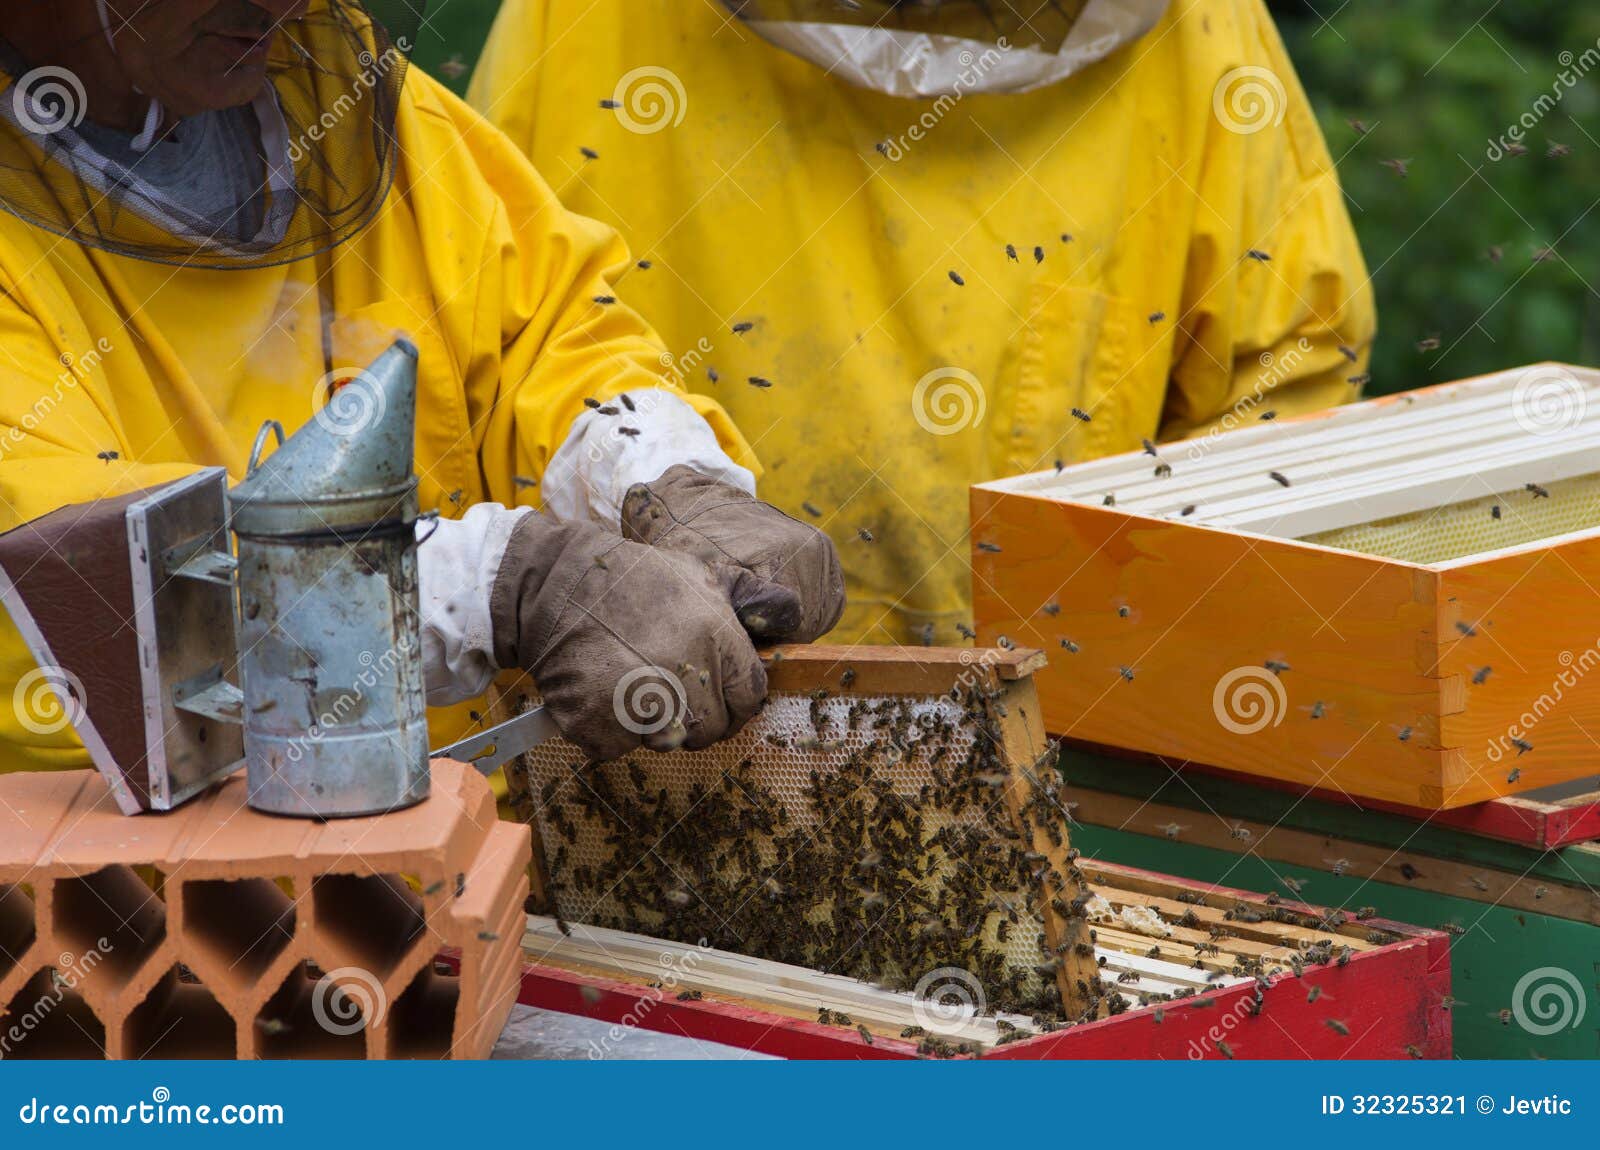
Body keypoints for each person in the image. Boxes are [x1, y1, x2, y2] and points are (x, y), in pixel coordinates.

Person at [0, 0, 842, 774]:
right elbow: (75, 567)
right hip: (158, 906)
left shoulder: (344, 95)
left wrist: (664, 481)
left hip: (469, 865)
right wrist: (501, 588)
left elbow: (543, 329)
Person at [470, 0, 1376, 645]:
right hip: (654, 728)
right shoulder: (584, 21)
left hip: (1047, 753)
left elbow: (1278, 392)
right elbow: (486, 358)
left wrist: (1125, 686)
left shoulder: (1196, 35)